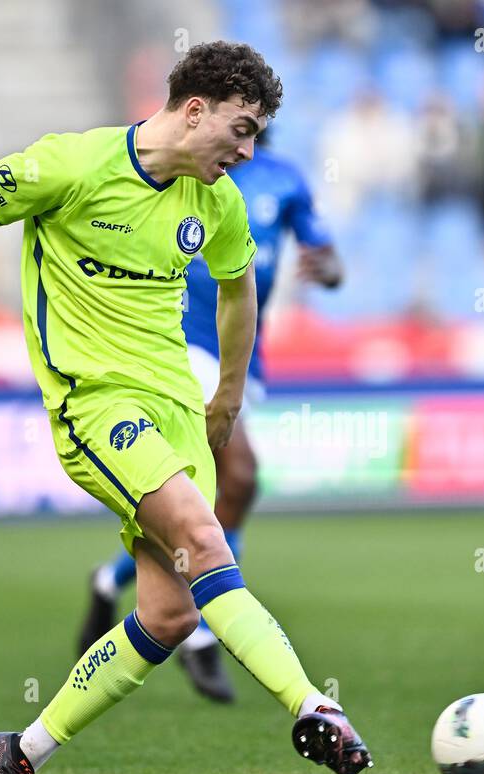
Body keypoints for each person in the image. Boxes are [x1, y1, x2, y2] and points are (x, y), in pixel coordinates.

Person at [0, 41, 372, 774]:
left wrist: (228, 395)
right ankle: (312, 707)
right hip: (96, 407)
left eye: (258, 136)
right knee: (209, 544)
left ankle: (18, 752)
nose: (248, 150)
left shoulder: (219, 201)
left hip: (178, 410)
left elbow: (239, 291)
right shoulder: (71, 165)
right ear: (194, 109)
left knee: (170, 614)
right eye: (241, 130)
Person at [75, 126, 342, 702]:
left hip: (244, 349)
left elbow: (327, 257)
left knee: (220, 499)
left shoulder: (284, 179)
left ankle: (111, 579)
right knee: (238, 476)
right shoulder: (187, 172)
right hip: (185, 341)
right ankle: (198, 634)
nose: (244, 131)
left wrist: (329, 271)